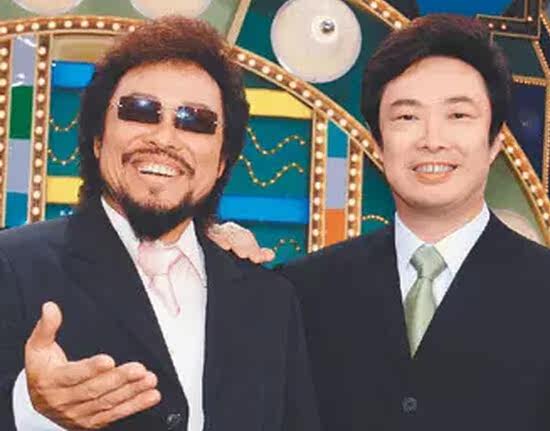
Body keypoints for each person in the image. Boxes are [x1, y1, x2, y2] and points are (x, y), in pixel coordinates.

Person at [212, 14, 550, 430]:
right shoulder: (301, 291)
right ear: (378, 142)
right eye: (407, 117)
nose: (432, 140)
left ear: (495, 141)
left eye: (458, 116)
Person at [0, 16, 319, 431]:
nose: (165, 138)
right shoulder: (12, 267)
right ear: (97, 139)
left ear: (222, 161)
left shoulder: (270, 301)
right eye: (140, 111)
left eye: (196, 121)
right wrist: (30, 408)